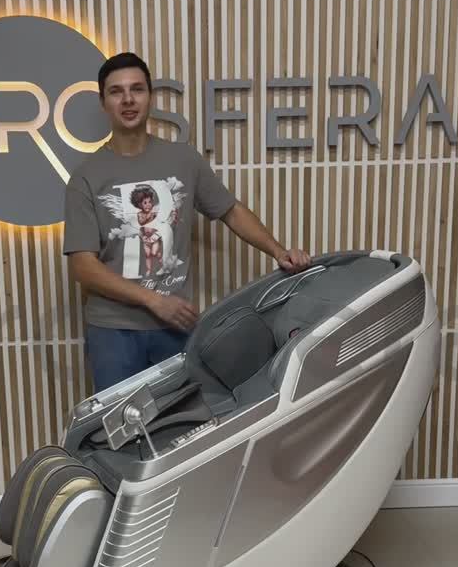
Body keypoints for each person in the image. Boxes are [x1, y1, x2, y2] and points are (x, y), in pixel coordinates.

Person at [63, 51, 311, 391]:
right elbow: (82, 267)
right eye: (116, 91)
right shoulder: (86, 177)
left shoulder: (183, 159)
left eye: (137, 89)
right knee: (120, 424)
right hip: (113, 332)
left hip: (175, 327)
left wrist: (278, 251)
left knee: (186, 421)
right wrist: (154, 301)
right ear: (103, 102)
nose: (128, 99)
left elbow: (230, 210)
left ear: (150, 96)